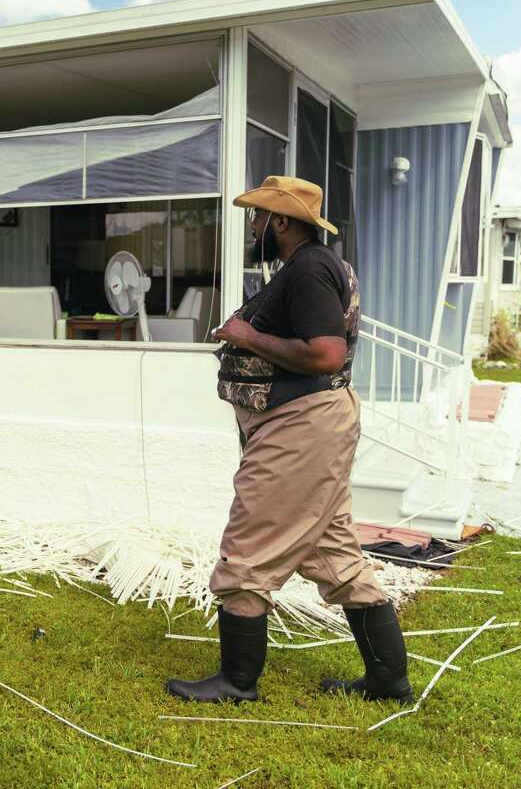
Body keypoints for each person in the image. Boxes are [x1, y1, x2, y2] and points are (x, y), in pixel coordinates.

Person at [166, 176, 413, 706]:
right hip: (311, 422)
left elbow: (324, 354)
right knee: (334, 554)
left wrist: (245, 334)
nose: (253, 226)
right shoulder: (315, 266)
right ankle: (388, 679)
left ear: (280, 221)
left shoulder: (307, 269)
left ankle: (237, 681)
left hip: (299, 427)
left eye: (259, 217)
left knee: (248, 548)